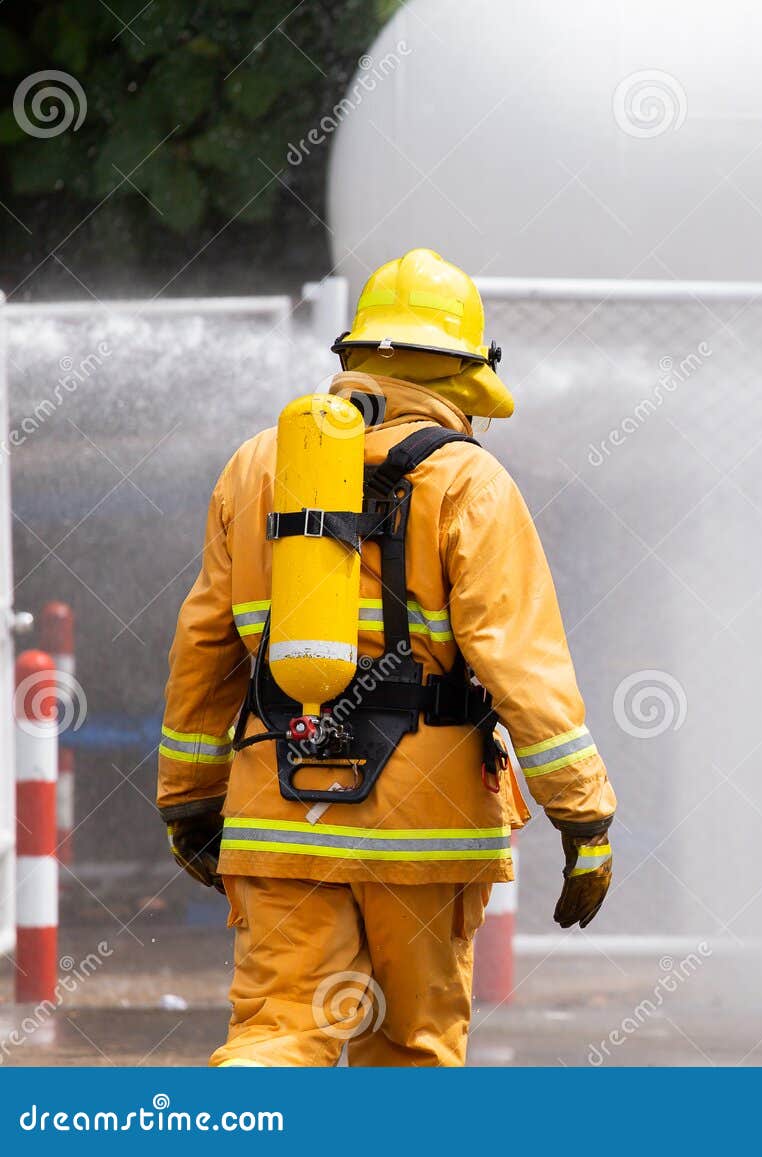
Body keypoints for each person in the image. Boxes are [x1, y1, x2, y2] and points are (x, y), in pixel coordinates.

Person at [157, 248, 617, 1066]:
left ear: (358, 355)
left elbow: (204, 647)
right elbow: (522, 663)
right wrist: (584, 818)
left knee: (278, 1033)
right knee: (409, 1050)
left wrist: (189, 801)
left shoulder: (258, 466)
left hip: (281, 807)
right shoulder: (469, 480)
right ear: (466, 371)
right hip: (427, 827)